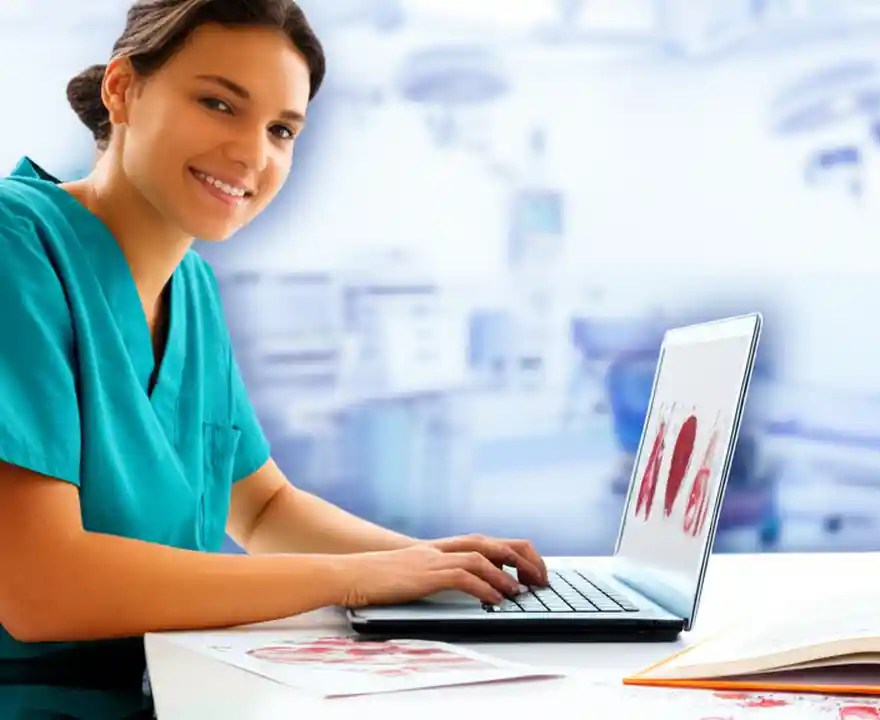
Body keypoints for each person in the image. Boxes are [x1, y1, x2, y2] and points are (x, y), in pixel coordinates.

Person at [0, 0, 547, 664]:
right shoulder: (17, 247)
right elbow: (40, 590)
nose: (250, 153)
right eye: (219, 104)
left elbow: (261, 508)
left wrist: (429, 562)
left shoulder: (192, 291)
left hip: (170, 688)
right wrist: (356, 577)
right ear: (123, 90)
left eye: (282, 130)